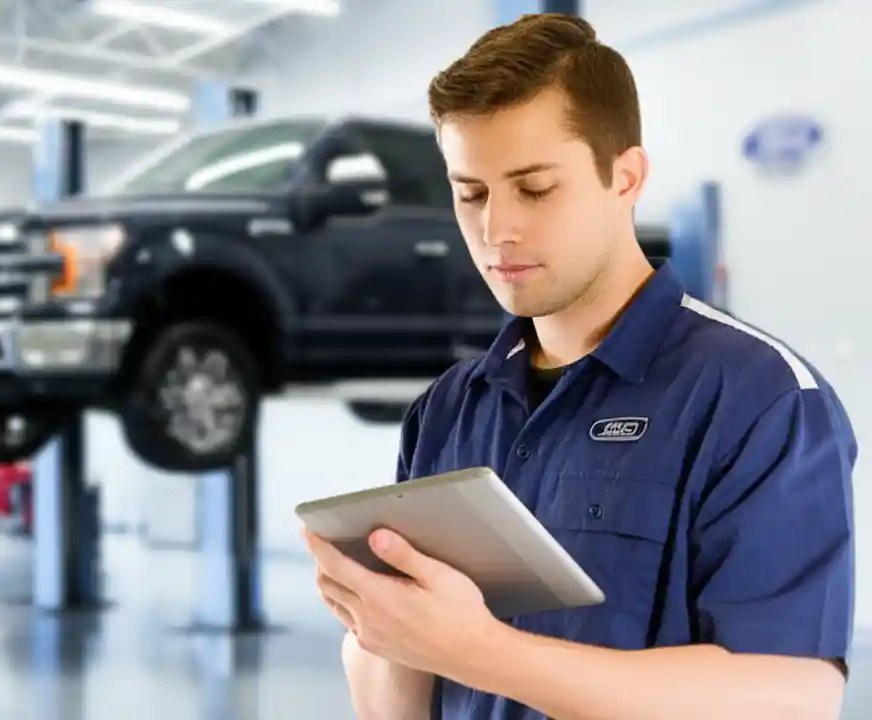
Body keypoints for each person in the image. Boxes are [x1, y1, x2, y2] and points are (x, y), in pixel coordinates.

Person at [303, 12, 856, 720]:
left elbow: (791, 699)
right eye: (471, 193)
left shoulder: (761, 398)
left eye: (535, 189)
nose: (497, 228)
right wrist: (380, 630)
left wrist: (475, 650)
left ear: (625, 178)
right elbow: (406, 675)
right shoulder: (448, 409)